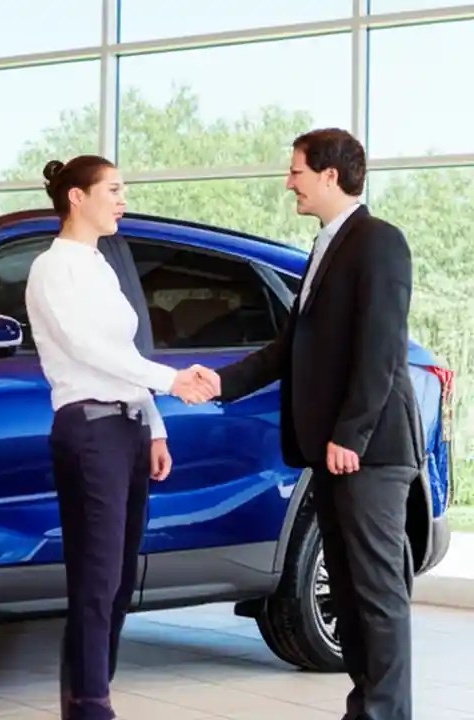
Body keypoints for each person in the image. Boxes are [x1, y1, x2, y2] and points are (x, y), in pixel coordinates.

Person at [213, 128, 419, 720]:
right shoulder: (328, 245)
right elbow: (290, 348)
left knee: (377, 596)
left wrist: (350, 436)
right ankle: (368, 708)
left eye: (297, 171)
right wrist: (220, 383)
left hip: (369, 451)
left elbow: (381, 348)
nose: (289, 182)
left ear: (331, 176)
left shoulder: (378, 242)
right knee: (351, 596)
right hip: (332, 450)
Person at [25, 154, 219, 719]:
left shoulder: (102, 266)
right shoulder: (52, 268)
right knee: (96, 576)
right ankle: (90, 707)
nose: (122, 198)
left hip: (127, 431)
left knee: (118, 578)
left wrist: (155, 427)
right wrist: (173, 381)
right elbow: (90, 350)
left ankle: (88, 695)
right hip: (88, 433)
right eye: (113, 189)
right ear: (77, 198)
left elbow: (126, 356)